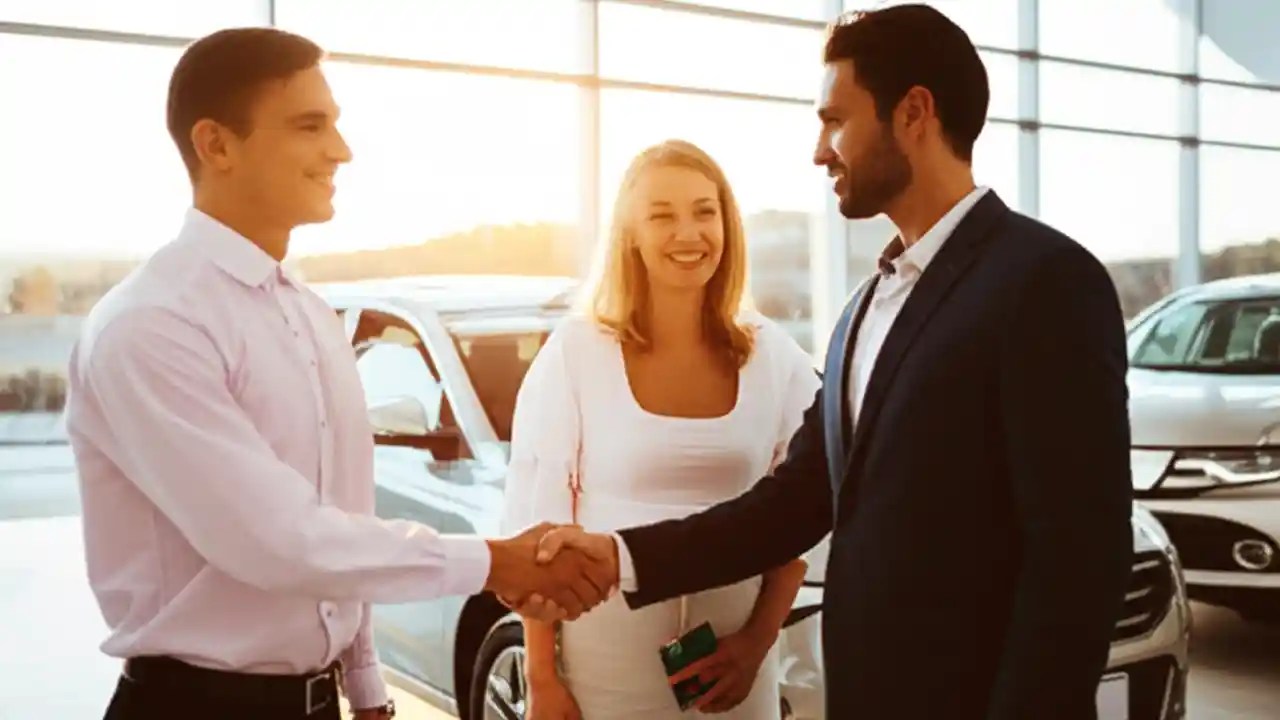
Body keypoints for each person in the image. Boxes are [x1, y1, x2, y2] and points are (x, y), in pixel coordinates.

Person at [533, 6, 1135, 719]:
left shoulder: (1044, 283)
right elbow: (795, 503)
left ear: (913, 112)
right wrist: (620, 556)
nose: (821, 151)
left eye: (835, 120)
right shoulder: (861, 311)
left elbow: (1078, 562)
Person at [64, 28, 608, 720]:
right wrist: (498, 561)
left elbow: (342, 522)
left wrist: (364, 683)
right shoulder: (150, 326)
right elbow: (277, 539)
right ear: (216, 144)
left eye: (336, 126)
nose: (340, 151)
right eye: (309, 126)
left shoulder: (314, 317)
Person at [499, 140, 820, 719]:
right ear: (631, 235)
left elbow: (802, 514)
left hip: (735, 667)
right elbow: (539, 530)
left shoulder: (772, 354)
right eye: (662, 215)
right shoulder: (577, 352)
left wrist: (756, 644)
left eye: (704, 211)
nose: (688, 233)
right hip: (606, 668)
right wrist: (542, 679)